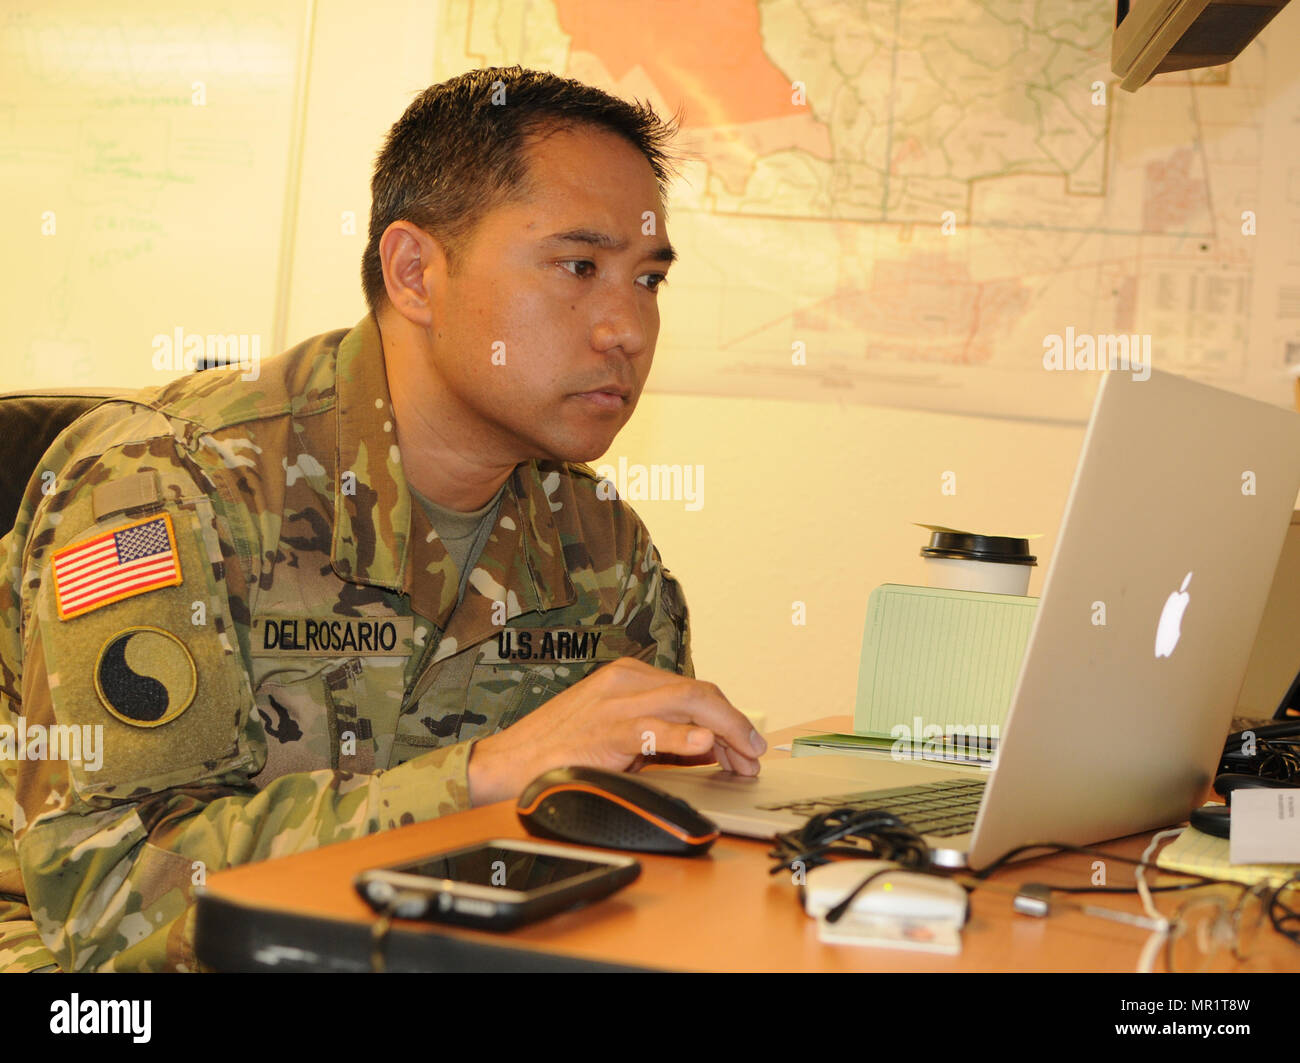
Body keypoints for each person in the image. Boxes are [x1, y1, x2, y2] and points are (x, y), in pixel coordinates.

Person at [0, 66, 764, 972]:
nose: (628, 328)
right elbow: (111, 896)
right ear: (415, 274)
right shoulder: (162, 487)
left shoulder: (598, 538)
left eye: (648, 280)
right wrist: (484, 775)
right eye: (579, 266)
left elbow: (637, 828)